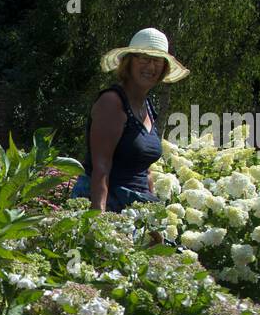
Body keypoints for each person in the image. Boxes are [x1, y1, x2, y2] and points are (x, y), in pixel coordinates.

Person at [72, 27, 189, 212]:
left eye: (157, 61)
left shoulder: (148, 107)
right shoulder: (112, 102)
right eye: (144, 58)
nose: (151, 67)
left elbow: (145, 170)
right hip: (110, 202)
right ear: (129, 62)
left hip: (137, 205)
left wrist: (153, 215)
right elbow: (100, 167)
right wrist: (96, 222)